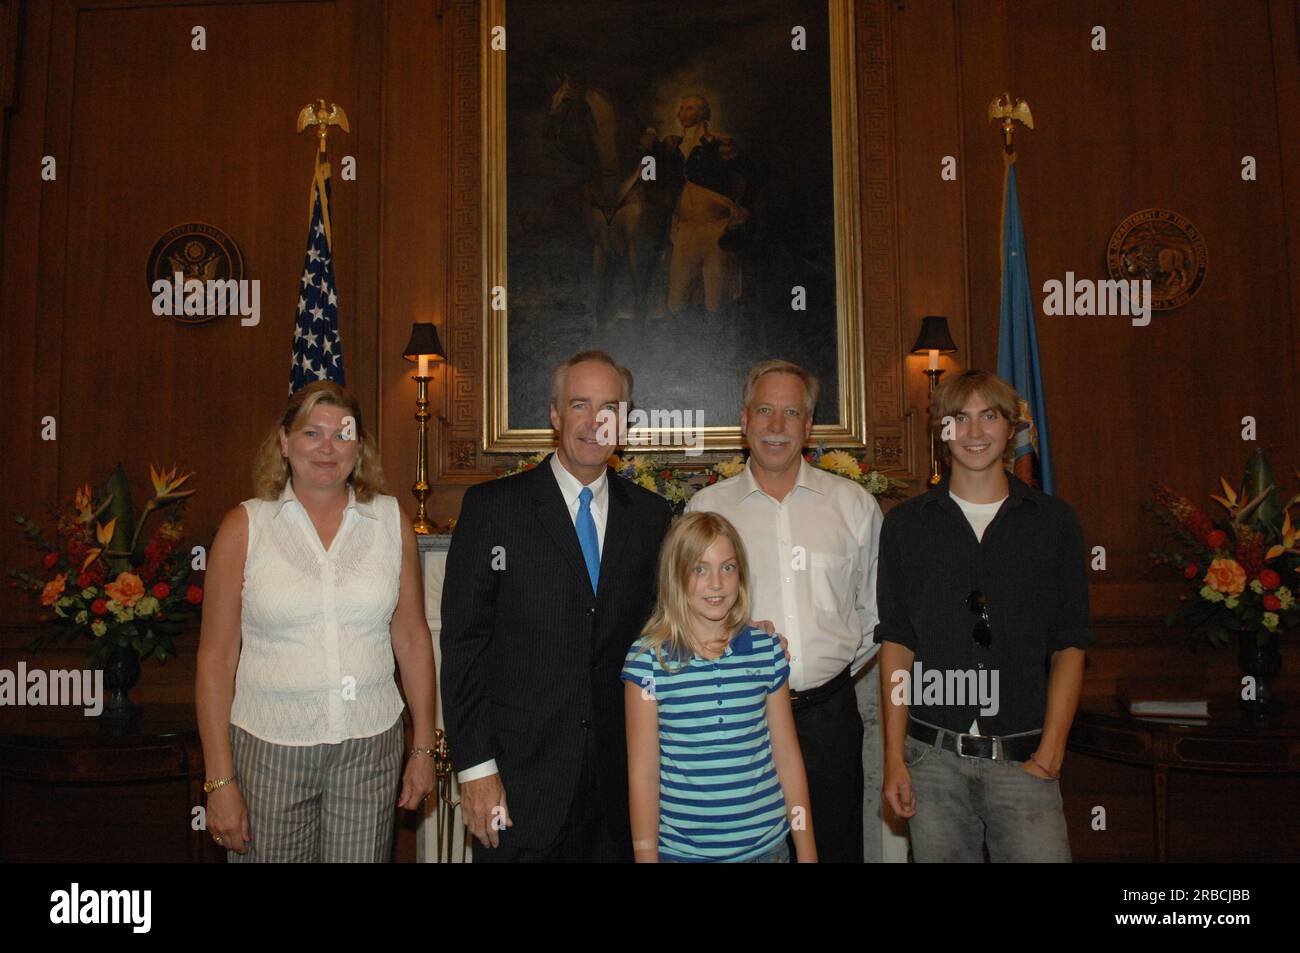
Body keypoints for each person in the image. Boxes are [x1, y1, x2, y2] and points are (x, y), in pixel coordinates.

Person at [440, 350, 673, 862]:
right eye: (580, 405)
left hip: (619, 794)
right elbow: (463, 649)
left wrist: (744, 635)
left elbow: (669, 633)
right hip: (519, 788)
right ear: (554, 413)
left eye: (608, 407)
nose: (595, 422)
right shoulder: (493, 510)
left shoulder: (653, 518)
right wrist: (476, 771)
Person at [195, 381, 437, 862]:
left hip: (370, 750)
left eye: (342, 434)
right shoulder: (244, 527)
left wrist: (424, 747)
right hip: (268, 750)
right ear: (284, 443)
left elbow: (411, 638)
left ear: (358, 447)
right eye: (311, 433)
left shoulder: (391, 521)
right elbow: (216, 659)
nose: (327, 448)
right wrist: (220, 780)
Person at [878, 369, 1091, 862]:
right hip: (931, 762)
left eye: (988, 416)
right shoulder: (906, 526)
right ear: (942, 431)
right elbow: (897, 644)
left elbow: (1070, 643)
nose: (973, 433)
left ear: (1012, 427)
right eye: (959, 418)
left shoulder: (1055, 523)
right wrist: (894, 758)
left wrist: (1053, 751)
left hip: (1025, 762)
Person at [686, 360, 880, 862]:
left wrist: (822, 675)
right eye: (765, 411)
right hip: (736, 722)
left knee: (834, 847)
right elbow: (684, 616)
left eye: (791, 413)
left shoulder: (853, 506)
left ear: (809, 425)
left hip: (829, 717)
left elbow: (875, 614)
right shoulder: (707, 510)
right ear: (744, 420)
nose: (776, 426)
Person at [623, 512, 816, 863]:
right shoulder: (648, 661)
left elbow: (787, 758)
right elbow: (643, 773)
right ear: (675, 577)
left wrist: (806, 850)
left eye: (727, 567)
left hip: (766, 849)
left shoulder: (767, 651)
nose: (716, 583)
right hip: (682, 854)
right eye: (699, 569)